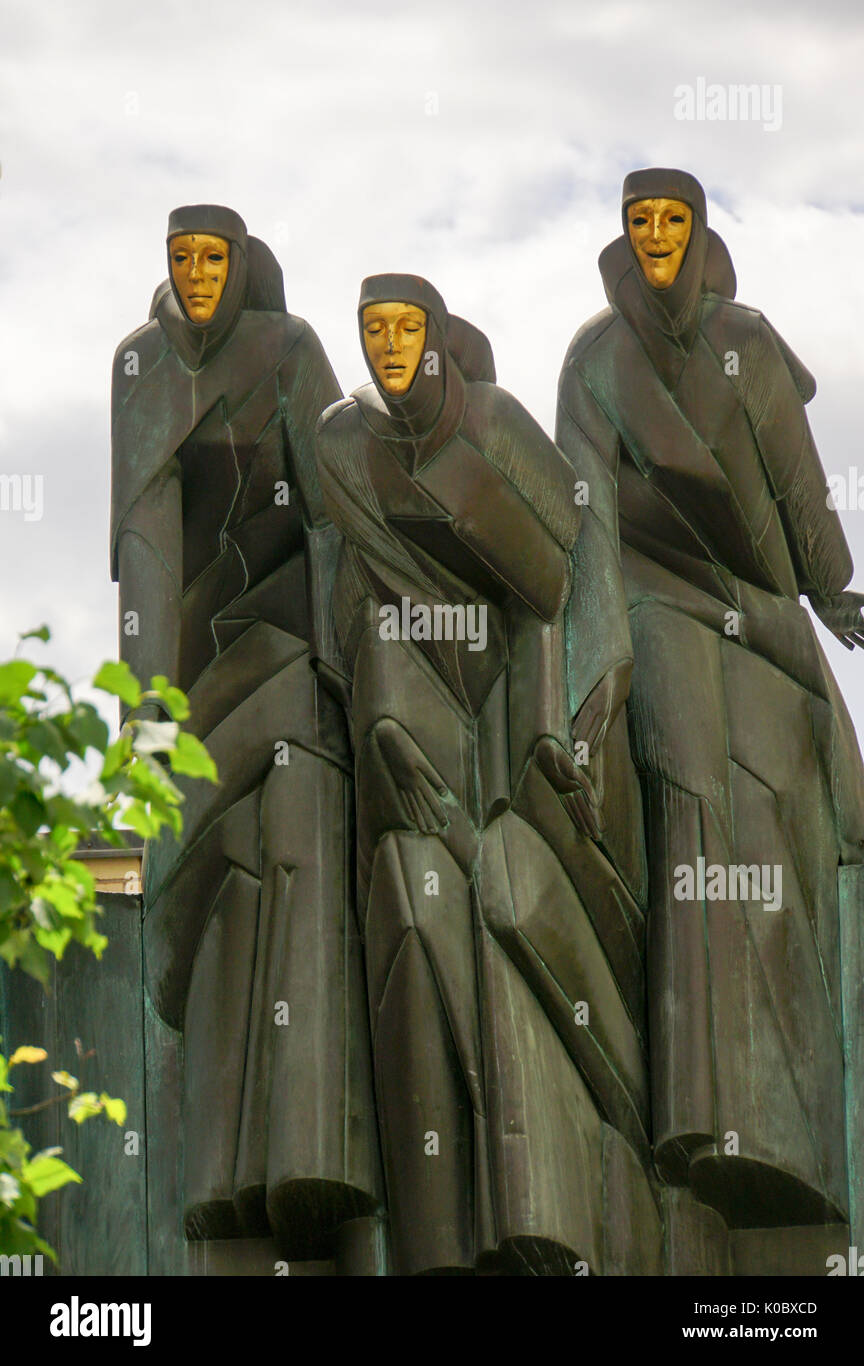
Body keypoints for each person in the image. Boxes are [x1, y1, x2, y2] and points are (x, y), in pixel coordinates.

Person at [315, 273, 659, 1274]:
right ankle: (435, 1238)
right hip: (413, 720)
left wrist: (555, 731)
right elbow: (369, 608)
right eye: (371, 328)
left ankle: (539, 1205)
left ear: (436, 340)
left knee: (506, 920)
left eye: (405, 327)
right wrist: (385, 716)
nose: (386, 344)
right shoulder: (342, 446)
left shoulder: (499, 423)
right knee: (418, 916)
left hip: (517, 710)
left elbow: (560, 578)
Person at [556, 167, 864, 1231]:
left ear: (697, 234)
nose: (653, 236)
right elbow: (584, 522)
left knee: (783, 817)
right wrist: (594, 671)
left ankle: (792, 1118)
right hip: (652, 601)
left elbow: (795, 479)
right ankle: (701, 1108)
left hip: (758, 609)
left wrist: (832, 589)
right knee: (689, 782)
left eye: (670, 220)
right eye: (637, 220)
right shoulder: (595, 359)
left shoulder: (748, 342)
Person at [110, 204, 382, 1259]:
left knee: (299, 850)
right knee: (216, 887)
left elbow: (330, 514)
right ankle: (226, 1170)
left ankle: (316, 1150)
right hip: (196, 678)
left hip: (291, 645)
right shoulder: (141, 366)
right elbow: (144, 533)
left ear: (240, 265)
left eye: (213, 256)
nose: (197, 274)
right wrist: (144, 708)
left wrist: (340, 666)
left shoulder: (291, 350)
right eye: (180, 258)